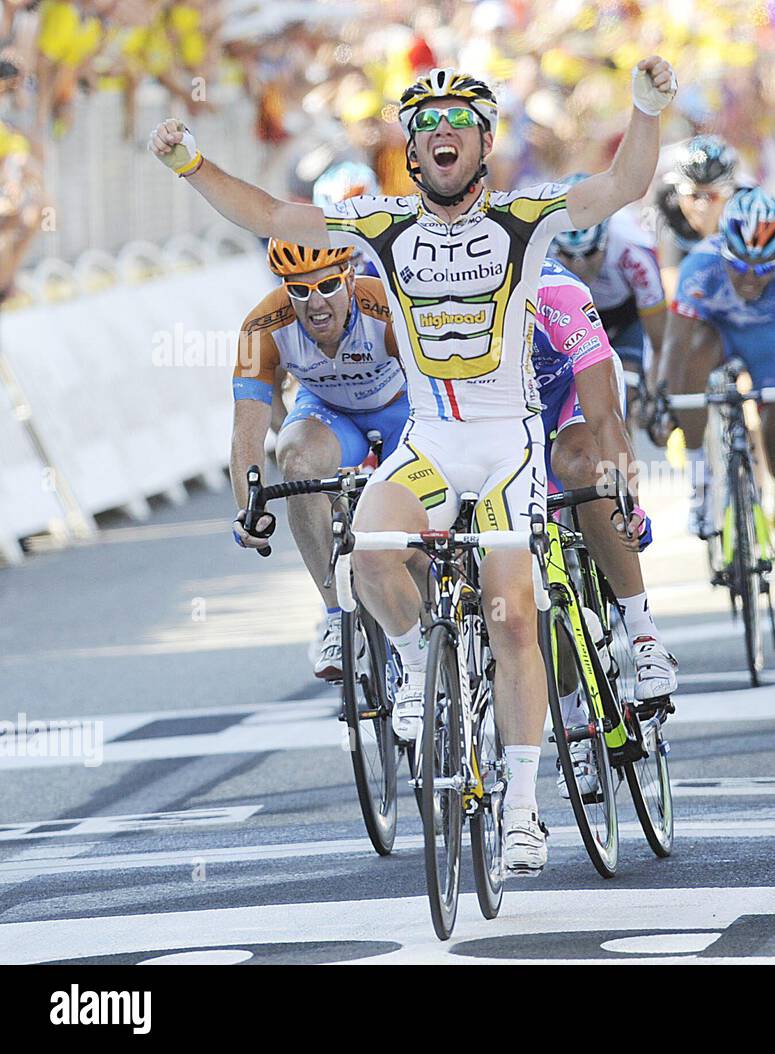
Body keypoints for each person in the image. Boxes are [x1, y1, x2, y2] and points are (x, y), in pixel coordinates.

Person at [151, 56, 679, 878]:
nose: (439, 136)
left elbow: (623, 185)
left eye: (455, 126)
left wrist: (647, 106)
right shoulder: (383, 224)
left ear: (482, 142)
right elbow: (268, 213)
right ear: (410, 148)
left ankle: (523, 807)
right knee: (365, 551)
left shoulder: (523, 216)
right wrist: (190, 163)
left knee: (511, 618)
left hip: (509, 443)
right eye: (424, 127)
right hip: (428, 441)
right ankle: (407, 662)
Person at [656, 187, 775, 646]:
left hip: (773, 346)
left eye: (764, 269)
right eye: (741, 267)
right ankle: (701, 480)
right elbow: (674, 348)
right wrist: (665, 404)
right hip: (718, 338)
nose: (752, 279)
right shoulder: (701, 264)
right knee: (693, 364)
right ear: (724, 251)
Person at [230, 240, 409, 681]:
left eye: (327, 285)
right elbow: (246, 433)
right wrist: (248, 508)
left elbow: (441, 398)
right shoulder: (260, 328)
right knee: (298, 461)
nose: (316, 303)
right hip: (331, 412)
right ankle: (336, 614)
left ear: (349, 277)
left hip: (404, 407)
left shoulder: (386, 306)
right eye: (300, 291)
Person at [531, 258, 677, 795]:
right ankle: (573, 718)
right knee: (523, 570)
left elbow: (604, 418)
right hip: (507, 414)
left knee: (579, 462)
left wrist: (626, 499)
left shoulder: (558, 297)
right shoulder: (448, 307)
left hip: (573, 392)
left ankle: (643, 633)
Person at [549, 174, 668, 399]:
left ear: (605, 238)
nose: (579, 265)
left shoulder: (634, 249)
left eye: (590, 252)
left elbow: (660, 341)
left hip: (622, 320)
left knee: (625, 393)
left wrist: (653, 391)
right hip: (565, 323)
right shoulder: (538, 244)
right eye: (567, 254)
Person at [652, 134, 743, 265]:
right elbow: (668, 272)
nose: (702, 205)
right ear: (678, 193)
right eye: (693, 195)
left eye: (712, 196)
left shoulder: (747, 208)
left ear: (730, 194)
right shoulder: (666, 205)